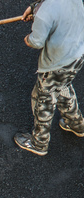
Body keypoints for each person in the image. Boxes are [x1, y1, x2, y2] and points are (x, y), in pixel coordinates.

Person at [14, 0, 84, 155]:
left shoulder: (45, 13)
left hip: (56, 64)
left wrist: (28, 39)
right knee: (63, 87)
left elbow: (36, 41)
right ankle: (77, 124)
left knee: (43, 98)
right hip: (77, 56)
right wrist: (35, 7)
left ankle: (39, 142)